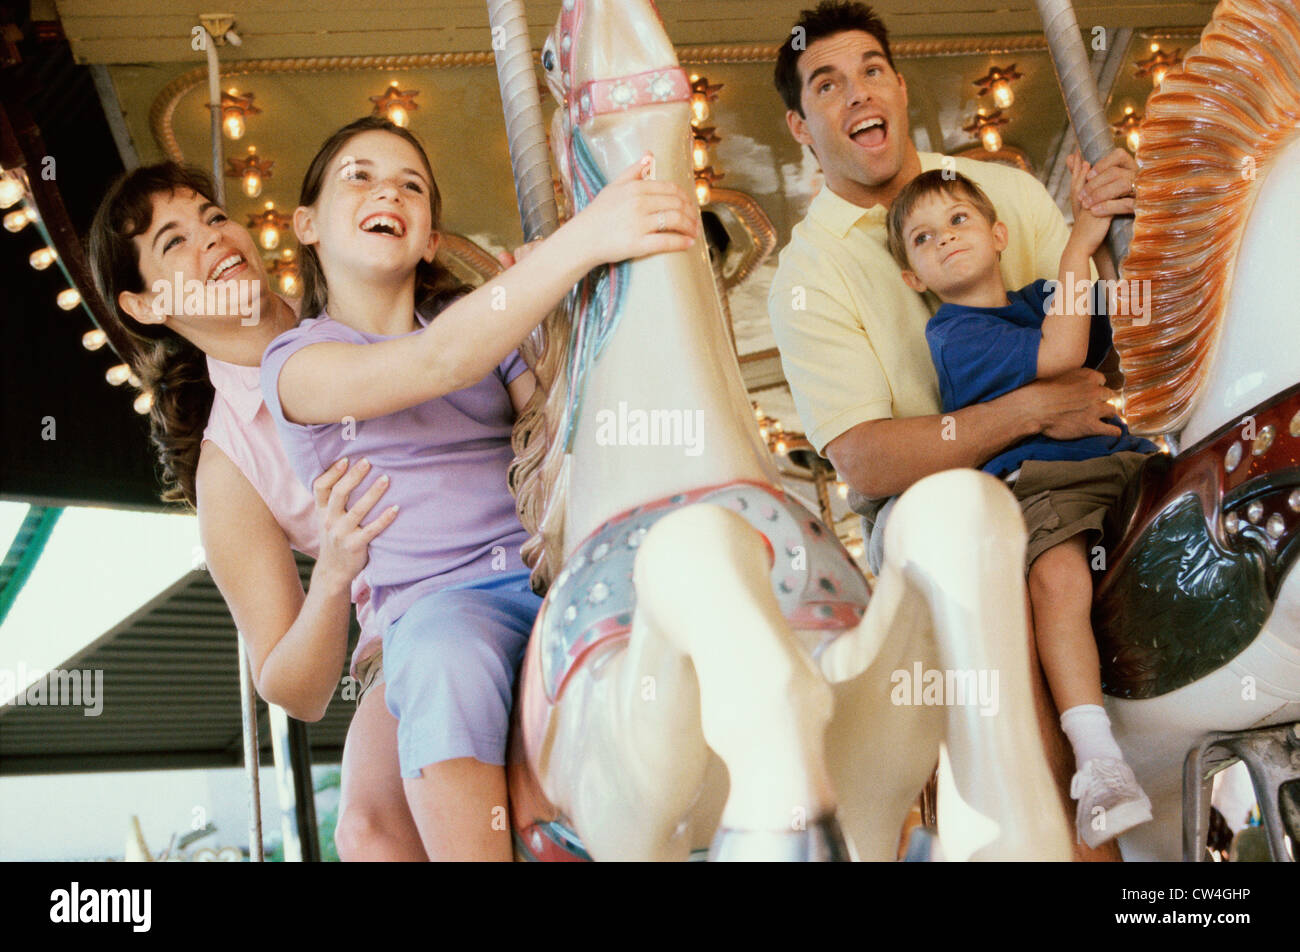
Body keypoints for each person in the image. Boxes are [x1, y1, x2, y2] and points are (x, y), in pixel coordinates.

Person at [260, 116, 697, 860]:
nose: (386, 192)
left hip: (554, 582)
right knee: (442, 658)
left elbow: (567, 434)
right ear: (307, 224)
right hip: (440, 607)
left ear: (429, 236)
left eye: (411, 186)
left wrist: (571, 323)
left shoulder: (477, 333)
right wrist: (581, 240)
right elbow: (434, 365)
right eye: (358, 176)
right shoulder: (299, 363)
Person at [767, 0, 1140, 858]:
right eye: (828, 84)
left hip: (1076, 453)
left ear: (898, 86)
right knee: (985, 553)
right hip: (938, 502)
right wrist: (1026, 410)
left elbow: (1098, 336)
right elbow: (864, 457)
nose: (857, 92)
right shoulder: (810, 273)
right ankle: (1066, 821)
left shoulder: (1000, 189)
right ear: (799, 125)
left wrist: (1115, 223)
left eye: (870, 70)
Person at [88, 162, 434, 859]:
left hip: (527, 529)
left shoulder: (352, 280)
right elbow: (292, 686)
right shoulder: (229, 466)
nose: (212, 239)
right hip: (415, 617)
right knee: (367, 831)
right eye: (174, 242)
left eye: (214, 218)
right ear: (147, 305)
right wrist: (334, 572)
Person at [886, 166, 1156, 846]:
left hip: (1123, 461)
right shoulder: (955, 335)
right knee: (1057, 579)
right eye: (922, 239)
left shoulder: (1041, 297)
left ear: (998, 234)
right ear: (913, 276)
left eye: (958, 221)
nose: (945, 239)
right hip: (1045, 483)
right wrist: (1077, 244)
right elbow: (1064, 353)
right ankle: (1097, 760)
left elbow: (1127, 318)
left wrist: (1104, 224)